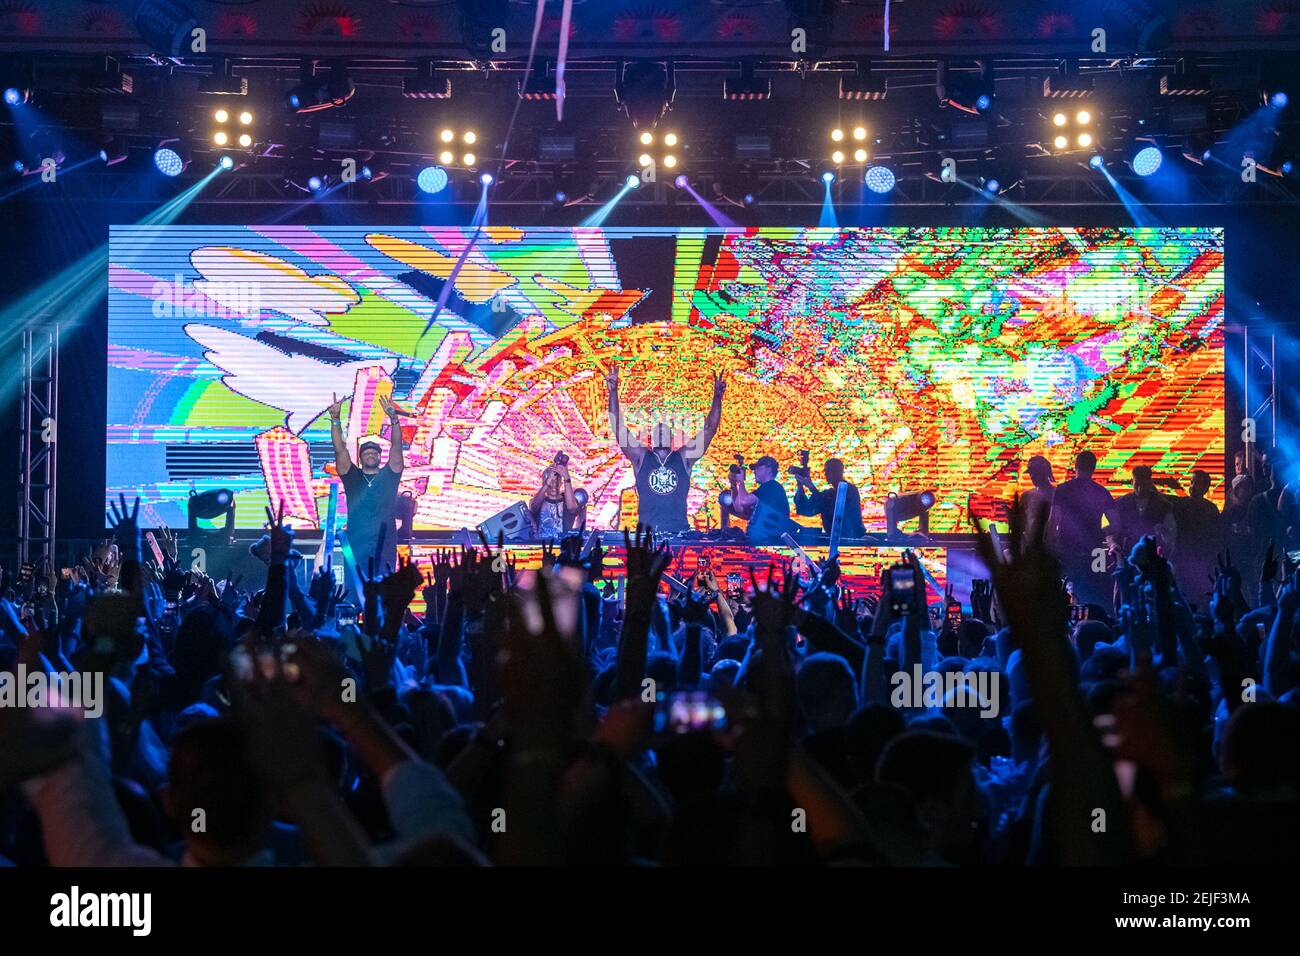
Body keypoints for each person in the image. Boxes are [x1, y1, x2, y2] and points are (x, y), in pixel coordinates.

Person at [606, 365, 724, 534]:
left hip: (679, 533)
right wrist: (613, 392)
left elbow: (709, 429)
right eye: (657, 430)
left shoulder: (684, 457)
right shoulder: (641, 457)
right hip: (646, 536)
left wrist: (717, 397)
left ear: (672, 438)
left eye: (665, 430)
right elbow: (618, 426)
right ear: (650, 438)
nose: (660, 431)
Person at [328, 392, 404, 584]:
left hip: (384, 545)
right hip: (356, 544)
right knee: (355, 593)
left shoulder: (389, 475)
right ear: (360, 459)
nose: (371, 454)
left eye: (374, 452)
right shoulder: (352, 476)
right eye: (366, 452)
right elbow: (340, 450)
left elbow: (396, 449)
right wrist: (335, 420)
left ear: (380, 457)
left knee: (385, 595)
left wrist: (394, 420)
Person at [1045, 451, 1114, 606]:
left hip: (1067, 548)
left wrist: (1049, 545)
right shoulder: (1101, 491)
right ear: (1093, 468)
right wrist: (1103, 533)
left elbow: (1053, 519)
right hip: (1096, 550)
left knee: (1068, 588)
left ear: (1075, 466)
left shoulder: (1062, 489)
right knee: (1098, 587)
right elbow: (1115, 522)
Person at [1172, 469, 1223, 604]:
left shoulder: (1210, 509)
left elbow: (1215, 536)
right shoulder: (1179, 504)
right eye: (1192, 482)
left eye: (1198, 483)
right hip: (1183, 559)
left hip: (1202, 560)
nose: (1193, 486)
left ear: (1206, 488)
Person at [1110, 465, 1176, 556]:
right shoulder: (1121, 504)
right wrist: (1113, 544)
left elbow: (1171, 536)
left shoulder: (1163, 505)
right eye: (1137, 484)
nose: (1140, 488)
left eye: (1144, 484)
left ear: (1150, 483)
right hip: (1128, 555)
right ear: (1132, 482)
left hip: (1153, 556)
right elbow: (1112, 531)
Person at [794, 457, 866, 538]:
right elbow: (807, 510)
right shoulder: (828, 494)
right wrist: (800, 486)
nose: (826, 474)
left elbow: (833, 505)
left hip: (851, 538)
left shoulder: (848, 490)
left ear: (838, 471)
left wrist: (811, 487)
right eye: (825, 471)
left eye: (829, 470)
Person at [732, 456, 794, 543]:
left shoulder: (771, 486)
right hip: (765, 539)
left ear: (768, 469)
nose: (754, 472)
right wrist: (734, 484)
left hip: (770, 541)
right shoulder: (766, 489)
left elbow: (743, 501)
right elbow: (739, 508)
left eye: (757, 468)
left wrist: (741, 482)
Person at [529, 458, 587, 540]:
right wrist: (547, 483)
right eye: (550, 482)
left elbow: (572, 508)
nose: (554, 485)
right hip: (541, 548)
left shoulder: (568, 502)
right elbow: (534, 507)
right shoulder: (537, 501)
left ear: (560, 482)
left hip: (563, 549)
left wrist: (566, 477)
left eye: (557, 481)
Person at [1019, 456, 1055, 548]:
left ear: (1045, 472)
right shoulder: (1026, 496)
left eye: (1035, 472)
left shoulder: (1057, 494)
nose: (1032, 476)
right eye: (1031, 473)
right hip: (1031, 547)